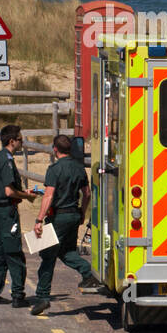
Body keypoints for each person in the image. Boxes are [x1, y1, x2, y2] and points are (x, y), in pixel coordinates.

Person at [30, 135, 98, 316]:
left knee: (47, 256)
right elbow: (87, 193)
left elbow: (49, 196)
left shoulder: (54, 169)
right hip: (73, 215)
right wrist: (83, 212)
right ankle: (87, 272)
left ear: (54, 149)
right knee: (67, 252)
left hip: (58, 217)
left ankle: (42, 297)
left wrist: (39, 219)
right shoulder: (79, 168)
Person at [0, 124, 36, 307]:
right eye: (20, 139)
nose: (22, 142)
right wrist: (26, 196)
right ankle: (18, 295)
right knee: (13, 253)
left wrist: (22, 192)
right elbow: (9, 191)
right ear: (12, 141)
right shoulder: (6, 159)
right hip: (6, 212)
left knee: (0, 253)